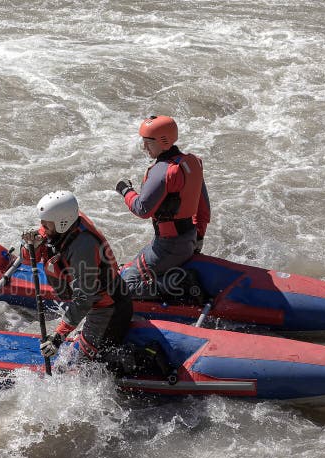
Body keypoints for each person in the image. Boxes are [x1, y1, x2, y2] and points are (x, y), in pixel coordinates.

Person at [20, 190, 139, 376]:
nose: (41, 227)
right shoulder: (60, 226)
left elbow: (84, 299)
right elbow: (29, 258)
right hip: (96, 303)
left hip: (110, 309)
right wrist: (30, 246)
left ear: (62, 222)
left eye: (45, 224)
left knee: (81, 367)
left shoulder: (83, 247)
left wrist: (58, 337)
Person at [115, 115, 210, 299]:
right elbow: (203, 207)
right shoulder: (192, 163)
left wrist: (126, 191)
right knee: (132, 266)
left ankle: (180, 284)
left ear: (162, 141)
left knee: (123, 287)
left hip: (169, 246)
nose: (144, 147)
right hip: (187, 239)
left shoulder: (162, 171)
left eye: (148, 143)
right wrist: (198, 238)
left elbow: (142, 209)